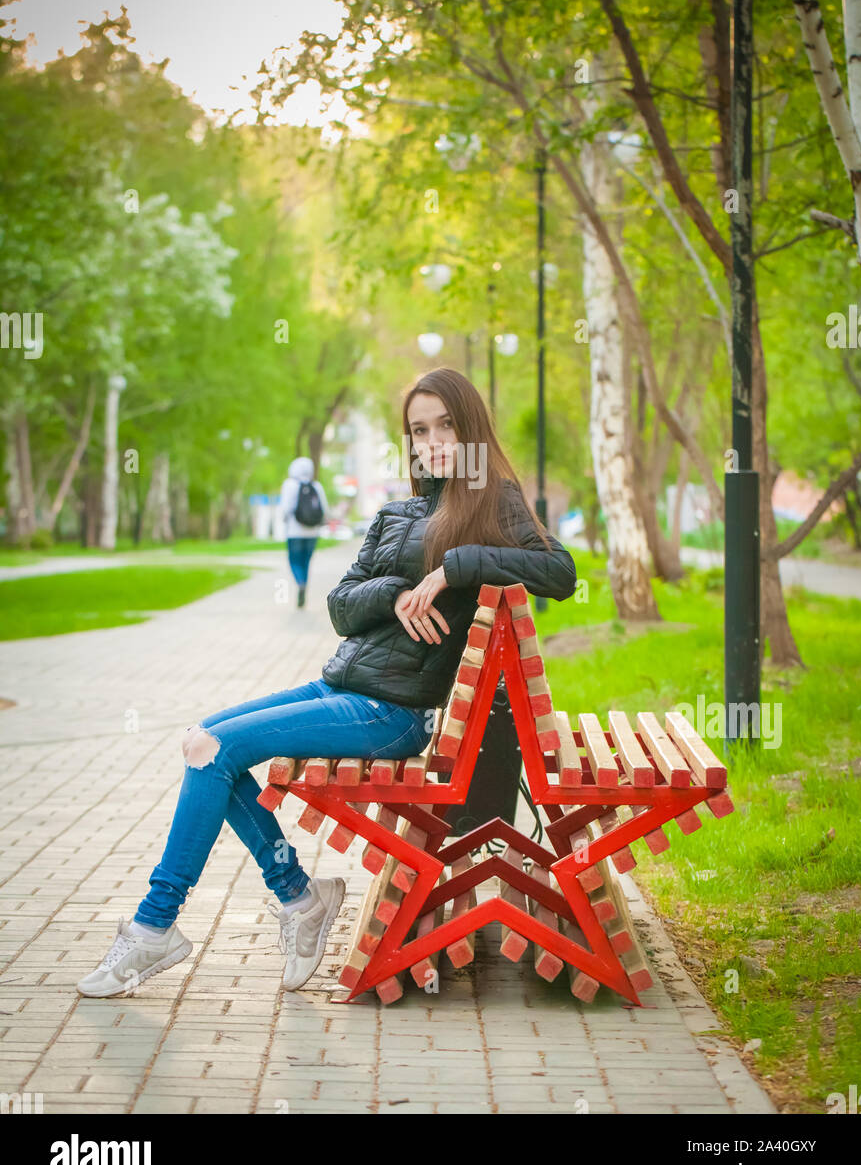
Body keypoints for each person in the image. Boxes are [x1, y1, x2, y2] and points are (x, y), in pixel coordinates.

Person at [77, 368, 577, 999]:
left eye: (446, 425)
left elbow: (559, 572)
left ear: (470, 428)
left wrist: (455, 567)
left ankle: (155, 929)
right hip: (340, 689)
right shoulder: (397, 513)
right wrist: (397, 592)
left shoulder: (493, 503)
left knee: (216, 752)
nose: (433, 441)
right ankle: (298, 897)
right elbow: (340, 607)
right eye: (419, 431)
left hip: (391, 714)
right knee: (202, 743)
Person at [278, 456, 329, 608]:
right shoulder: (316, 486)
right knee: (306, 562)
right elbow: (325, 510)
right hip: (312, 533)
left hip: (294, 532)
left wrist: (284, 521)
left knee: (294, 561)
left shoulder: (289, 485)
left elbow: (285, 509)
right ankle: (304, 585)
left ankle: (300, 583)